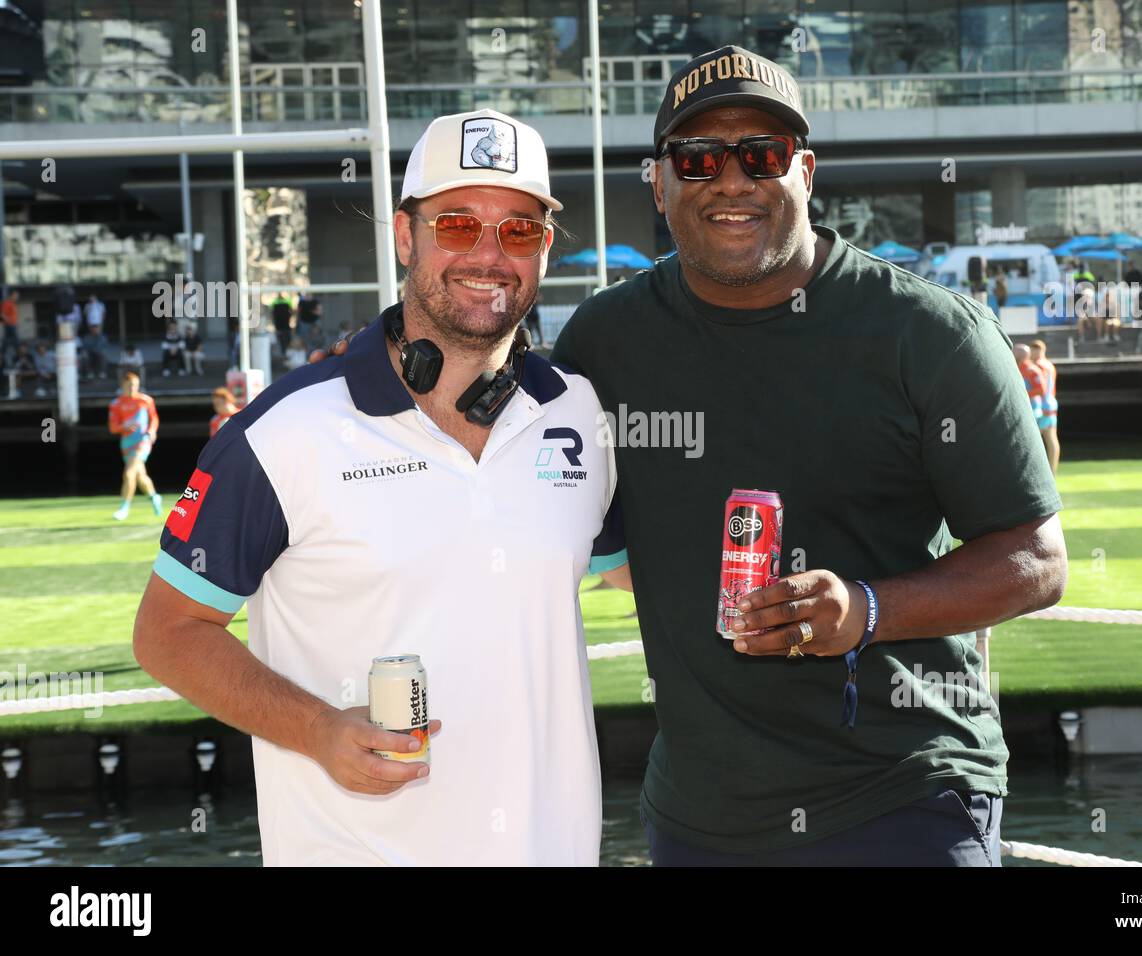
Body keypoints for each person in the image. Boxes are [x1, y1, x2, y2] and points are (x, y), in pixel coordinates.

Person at [322, 50, 1067, 866]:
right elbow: (509, 483)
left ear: (805, 172)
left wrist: (867, 608)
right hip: (697, 819)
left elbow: (1035, 560)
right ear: (660, 183)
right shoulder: (606, 341)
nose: (732, 180)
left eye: (763, 155)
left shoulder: (930, 334)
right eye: (698, 159)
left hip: (904, 796)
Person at [133, 108, 630, 866]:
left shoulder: (580, 412)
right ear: (405, 236)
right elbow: (167, 633)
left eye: (520, 230)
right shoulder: (282, 433)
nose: (490, 255)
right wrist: (318, 731)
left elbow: (635, 572)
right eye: (458, 225)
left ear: (545, 250)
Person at [107, 370, 163, 521]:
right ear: (122, 386)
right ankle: (154, 497)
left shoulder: (146, 401)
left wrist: (152, 431)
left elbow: (154, 419)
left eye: (135, 385)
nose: (132, 388)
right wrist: (123, 427)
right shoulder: (116, 404)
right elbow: (113, 427)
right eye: (129, 385)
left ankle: (124, 508)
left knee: (129, 473)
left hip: (142, 441)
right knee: (140, 476)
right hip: (127, 442)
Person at [1029, 339, 1059, 474]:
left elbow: (1040, 388)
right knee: (1051, 438)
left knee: (1034, 440)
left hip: (1041, 405)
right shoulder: (1050, 365)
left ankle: (1038, 472)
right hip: (1051, 402)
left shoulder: (1037, 366)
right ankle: (1052, 471)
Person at [269, 292, 293, 358]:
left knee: (283, 339)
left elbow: (272, 312)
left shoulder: (285, 302)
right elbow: (291, 311)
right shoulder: (283, 302)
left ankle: (285, 352)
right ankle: (284, 353)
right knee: (283, 339)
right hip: (282, 325)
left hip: (282, 325)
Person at [1, 289, 18, 366]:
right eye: (15, 295)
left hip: (12, 325)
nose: (17, 297)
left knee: (8, 342)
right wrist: (10, 322)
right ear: (11, 295)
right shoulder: (7, 303)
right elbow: (2, 315)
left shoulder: (13, 304)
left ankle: (6, 356)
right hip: (9, 325)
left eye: (17, 295)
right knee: (15, 341)